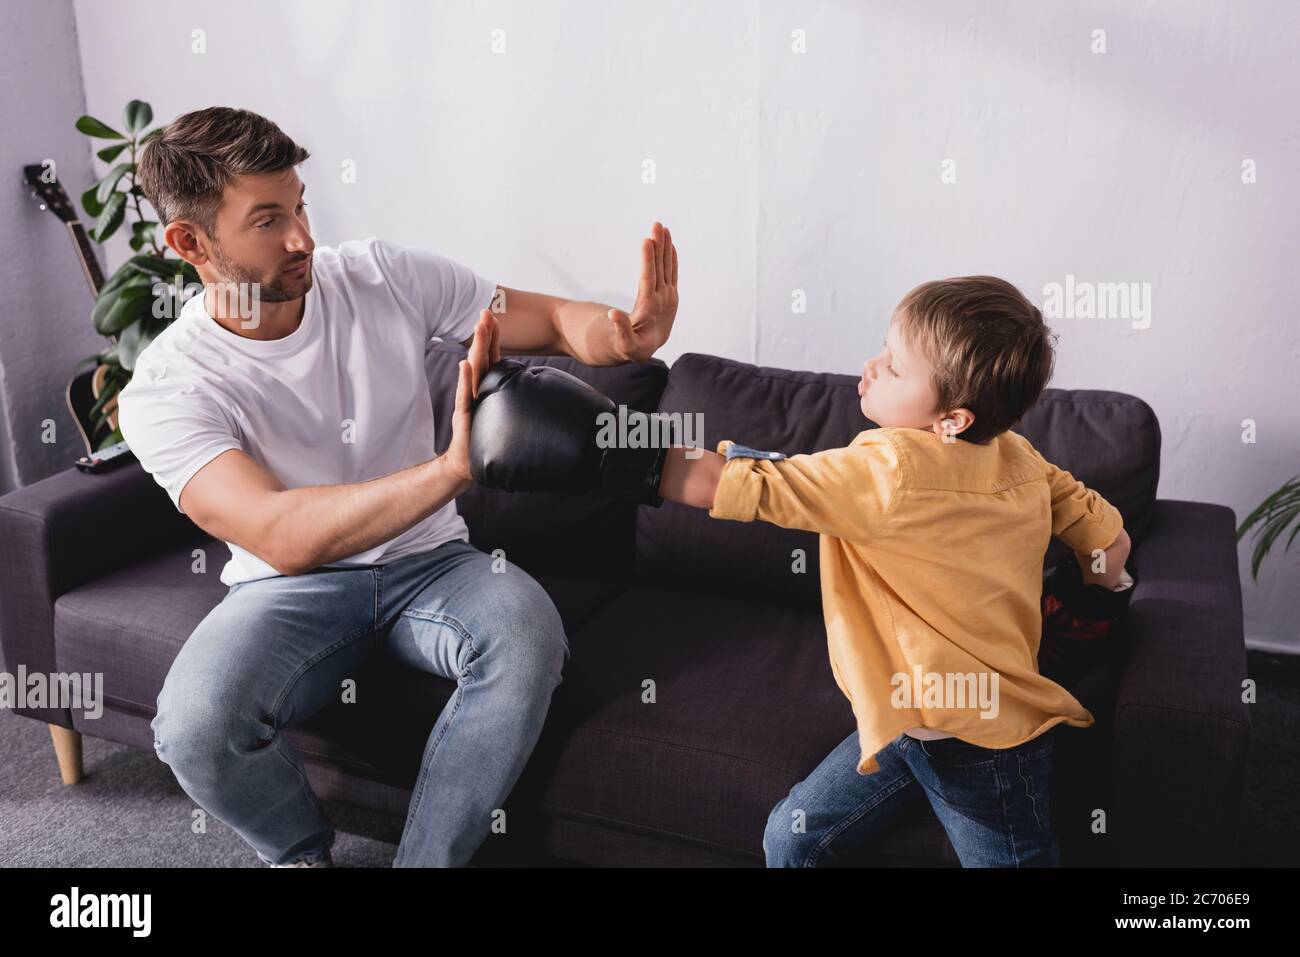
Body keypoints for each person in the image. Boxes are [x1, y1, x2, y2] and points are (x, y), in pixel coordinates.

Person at [115, 106, 679, 867]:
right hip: (289, 588)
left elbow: (544, 319)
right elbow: (282, 533)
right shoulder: (169, 386)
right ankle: (299, 852)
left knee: (527, 632)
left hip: (433, 564)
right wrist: (448, 469)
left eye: (301, 205)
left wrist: (621, 335)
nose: (302, 239)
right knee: (191, 725)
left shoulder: (381, 277)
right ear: (189, 243)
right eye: (268, 220)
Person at [473, 275, 1136, 867]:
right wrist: (1096, 598)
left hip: (984, 749)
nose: (872, 366)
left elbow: (730, 483)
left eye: (896, 367)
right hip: (903, 721)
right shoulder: (1020, 455)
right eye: (883, 347)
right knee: (792, 841)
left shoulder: (887, 470)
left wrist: (611, 442)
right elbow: (1108, 535)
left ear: (951, 420)